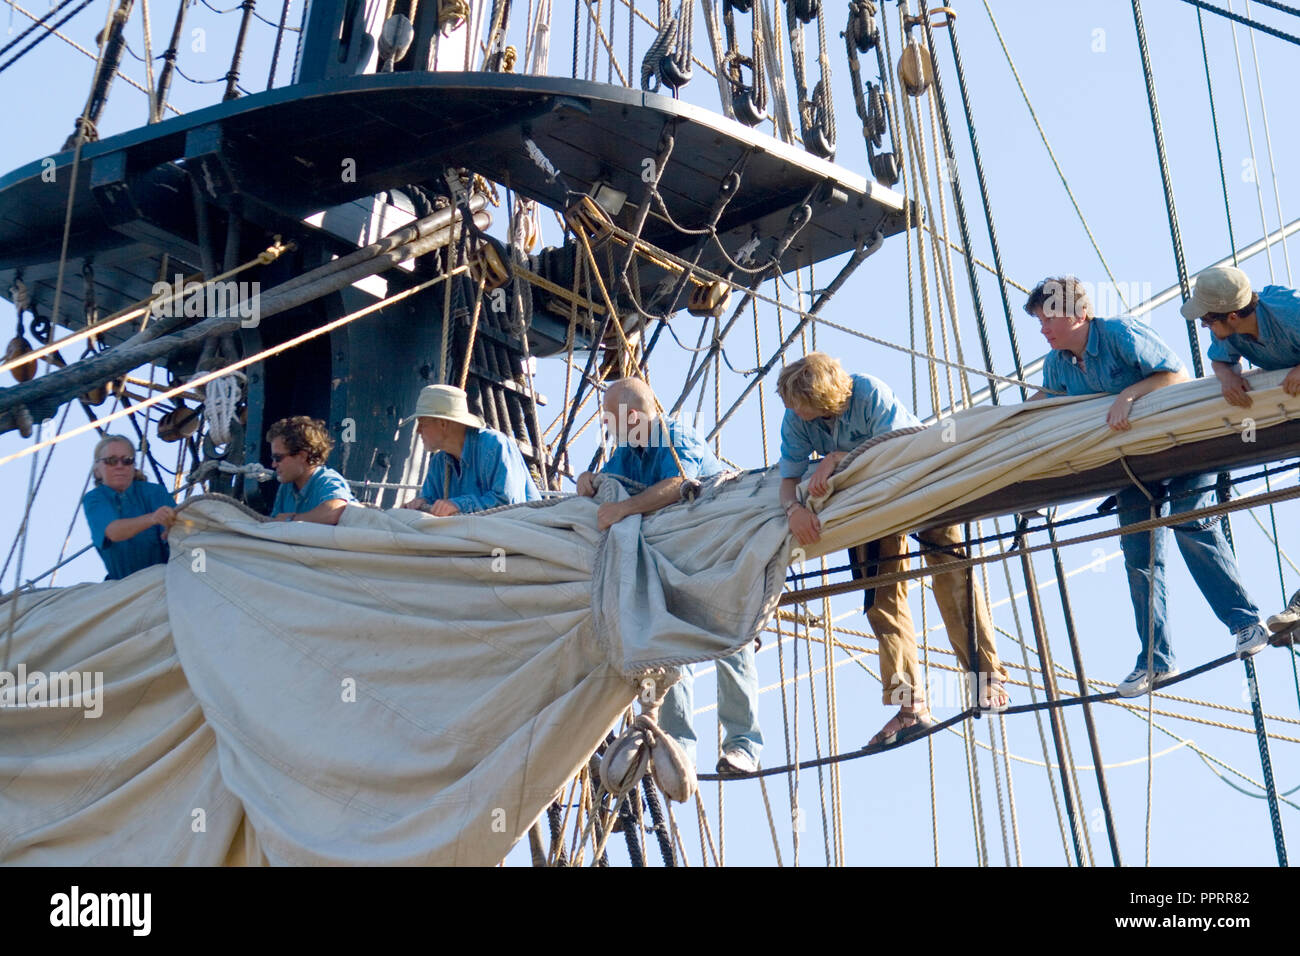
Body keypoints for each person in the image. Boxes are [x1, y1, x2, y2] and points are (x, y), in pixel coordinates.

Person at [1026, 276, 1269, 696]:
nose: (1043, 330)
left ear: (1078, 314)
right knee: (1138, 556)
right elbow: (1042, 408)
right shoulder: (1058, 366)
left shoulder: (1118, 334)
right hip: (1133, 465)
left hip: (1184, 446)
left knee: (1190, 521)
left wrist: (1130, 396)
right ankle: (1156, 661)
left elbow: (1174, 376)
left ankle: (1246, 623)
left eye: (1047, 319)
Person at [775, 353, 1010, 748]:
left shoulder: (868, 393)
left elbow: (900, 448)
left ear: (823, 395)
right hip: (868, 505)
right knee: (881, 599)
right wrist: (794, 509)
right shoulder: (797, 420)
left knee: (952, 575)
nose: (795, 413)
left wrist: (837, 459)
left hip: (921, 482)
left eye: (801, 404)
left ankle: (987, 678)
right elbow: (788, 476)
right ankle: (910, 707)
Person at [576, 377, 762, 775]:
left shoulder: (673, 435)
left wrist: (624, 511)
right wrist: (587, 481)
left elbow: (680, 485)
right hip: (675, 560)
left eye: (609, 416)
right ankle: (679, 750)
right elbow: (609, 482)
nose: (606, 425)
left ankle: (743, 746)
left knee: (731, 643)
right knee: (673, 648)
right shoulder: (631, 449)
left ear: (630, 415)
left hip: (720, 551)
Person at [399, 385, 540, 514]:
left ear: (443, 423)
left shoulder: (494, 445)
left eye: (422, 424)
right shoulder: (438, 463)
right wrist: (420, 504)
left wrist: (459, 505)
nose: (418, 431)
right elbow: (432, 503)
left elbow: (509, 501)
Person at [1180, 265, 1300, 406]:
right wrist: (1228, 377)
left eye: (1206, 320)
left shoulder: (1291, 311)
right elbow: (1220, 362)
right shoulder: (1226, 332)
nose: (1203, 326)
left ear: (1232, 318)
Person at [81, 435, 177, 580]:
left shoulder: (155, 492)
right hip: (123, 586)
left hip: (166, 579)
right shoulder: (94, 499)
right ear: (97, 470)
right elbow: (114, 532)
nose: (120, 466)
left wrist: (172, 530)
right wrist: (152, 518)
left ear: (133, 466)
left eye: (127, 461)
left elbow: (180, 536)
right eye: (111, 461)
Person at [267, 416, 355, 524]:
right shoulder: (286, 487)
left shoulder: (327, 480)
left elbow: (337, 511)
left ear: (302, 456)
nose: (273, 464)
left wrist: (291, 519)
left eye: (278, 458)